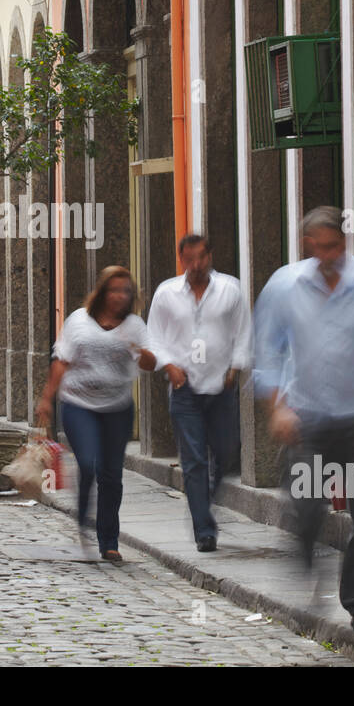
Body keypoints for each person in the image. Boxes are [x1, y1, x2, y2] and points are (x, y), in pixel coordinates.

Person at [253, 205, 354, 631]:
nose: (328, 256)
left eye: (335, 247)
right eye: (319, 248)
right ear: (308, 246)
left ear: (343, 242)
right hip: (307, 420)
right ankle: (307, 554)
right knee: (307, 507)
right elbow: (267, 349)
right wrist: (277, 408)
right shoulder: (284, 285)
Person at [35, 266, 156, 562]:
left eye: (125, 291)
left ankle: (109, 541)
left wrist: (142, 351)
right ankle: (82, 515)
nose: (119, 296)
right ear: (102, 292)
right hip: (78, 405)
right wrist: (47, 400)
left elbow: (150, 364)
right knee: (88, 464)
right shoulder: (79, 320)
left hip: (117, 409)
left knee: (112, 476)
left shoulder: (135, 325)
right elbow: (61, 361)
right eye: (114, 290)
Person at [146, 234, 252, 552]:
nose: (196, 265)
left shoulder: (230, 289)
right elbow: (154, 338)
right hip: (185, 389)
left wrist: (235, 367)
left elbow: (244, 330)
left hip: (221, 386)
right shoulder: (166, 294)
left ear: (210, 256)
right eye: (189, 259)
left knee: (225, 452)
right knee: (193, 461)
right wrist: (169, 367)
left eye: (201, 257)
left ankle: (202, 499)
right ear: (181, 259)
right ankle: (204, 528)